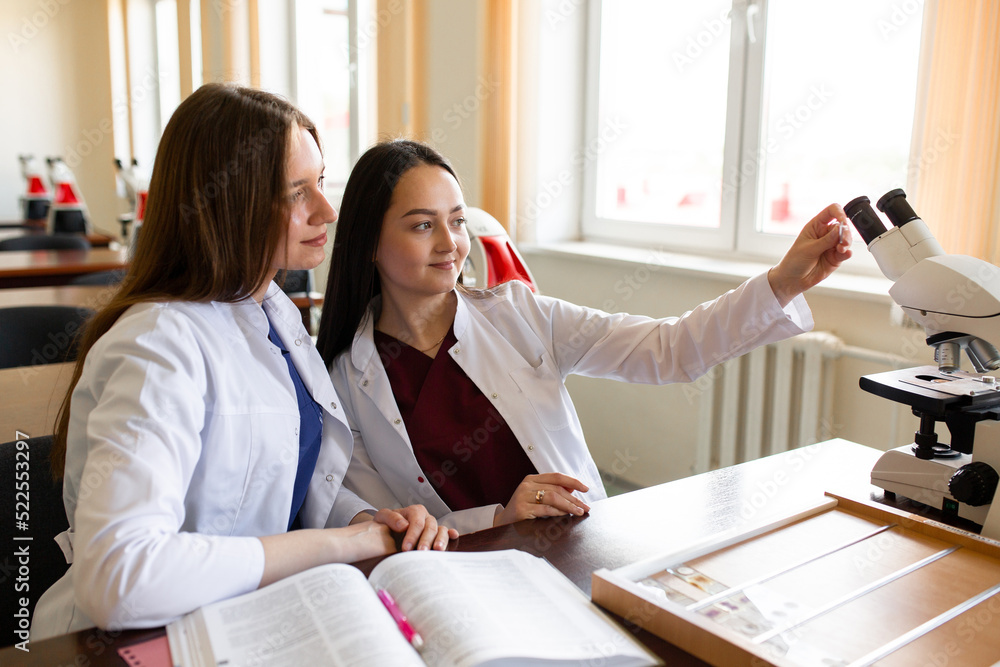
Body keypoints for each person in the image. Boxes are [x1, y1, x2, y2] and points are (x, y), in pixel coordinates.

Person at [31, 86, 455, 641]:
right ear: (227, 202)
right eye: (297, 192)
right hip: (124, 641)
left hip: (243, 620)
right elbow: (120, 579)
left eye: (321, 182)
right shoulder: (158, 345)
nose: (327, 210)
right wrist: (342, 545)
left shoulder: (269, 310)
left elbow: (281, 479)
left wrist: (364, 520)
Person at [316, 140, 853, 536]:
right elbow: (394, 526)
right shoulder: (344, 375)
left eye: (456, 222)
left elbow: (669, 350)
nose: (450, 244)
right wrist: (500, 517)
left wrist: (782, 282)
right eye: (420, 225)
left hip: (577, 548)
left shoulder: (518, 315)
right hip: (467, 577)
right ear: (368, 242)